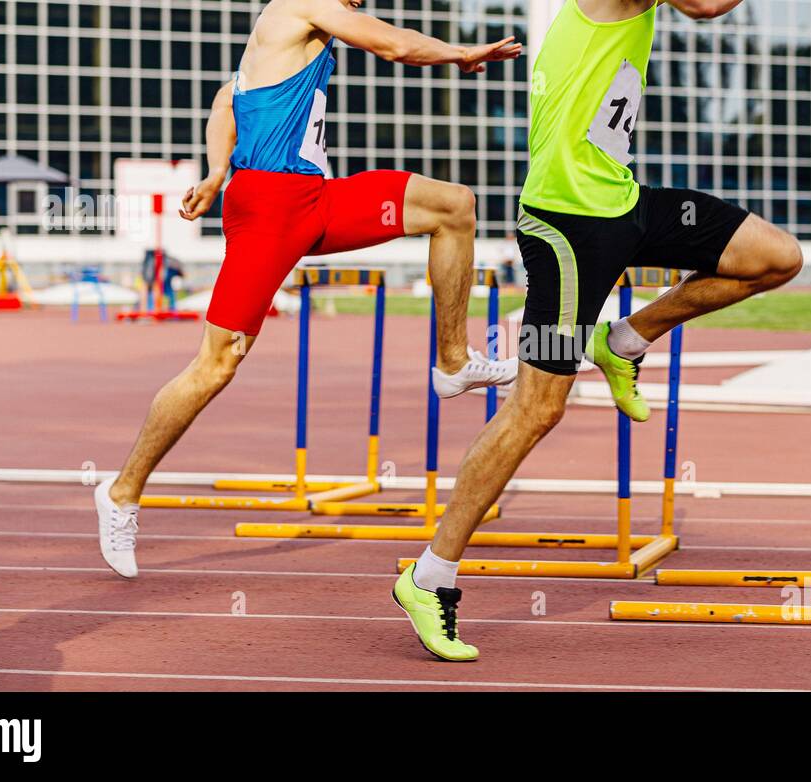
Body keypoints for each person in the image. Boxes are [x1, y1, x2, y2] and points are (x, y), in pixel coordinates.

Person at [392, 0, 804, 661]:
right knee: (534, 411)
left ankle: (626, 340)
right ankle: (429, 575)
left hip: (623, 206)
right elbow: (704, 7)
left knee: (775, 256)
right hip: (566, 234)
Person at [94, 0, 522, 578]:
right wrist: (463, 52)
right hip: (268, 207)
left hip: (316, 200)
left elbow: (227, 99)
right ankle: (121, 493)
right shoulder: (298, 4)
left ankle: (452, 361)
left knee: (454, 206)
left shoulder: (302, 31)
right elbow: (392, 45)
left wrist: (215, 171)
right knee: (216, 366)